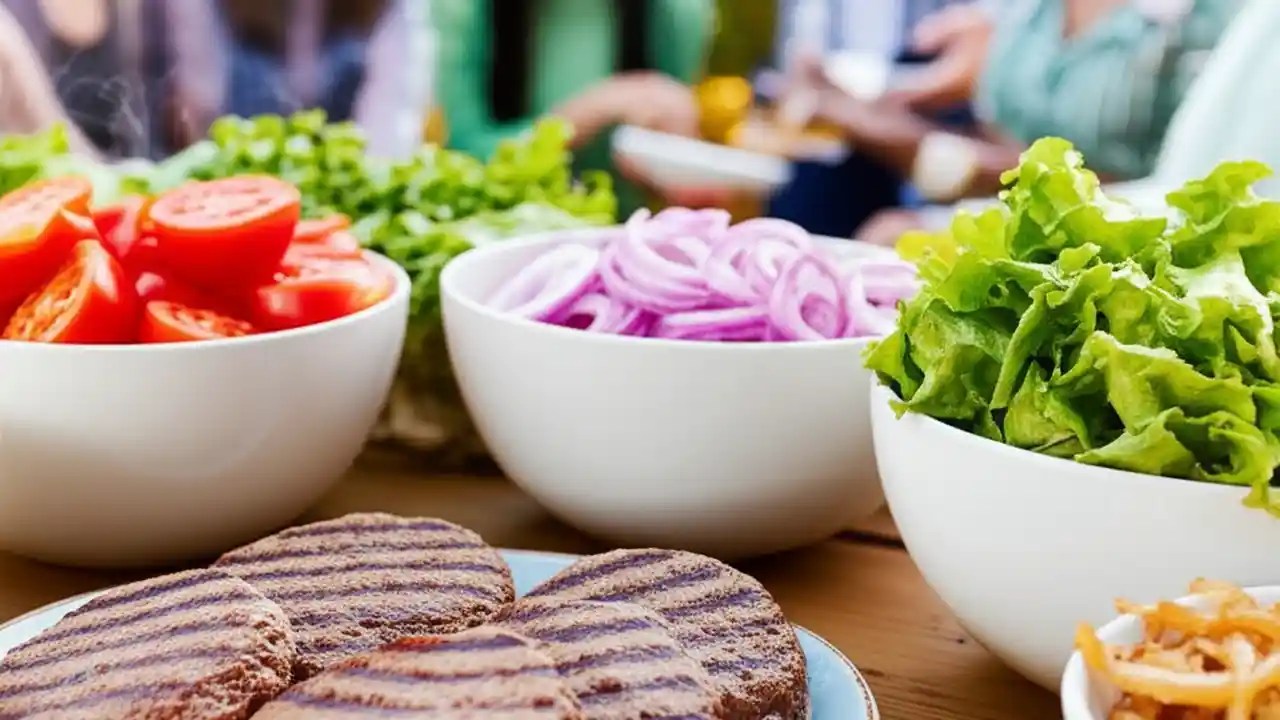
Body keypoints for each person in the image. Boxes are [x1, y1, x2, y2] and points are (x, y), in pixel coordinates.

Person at [800, 0, 1241, 245]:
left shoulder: (1213, 19)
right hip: (1005, 210)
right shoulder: (1024, 12)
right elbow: (1000, 128)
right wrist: (870, 109)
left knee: (888, 239)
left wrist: (932, 157)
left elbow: (1185, 186)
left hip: (1123, 236)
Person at [430, 0, 716, 214]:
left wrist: (673, 165)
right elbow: (463, 157)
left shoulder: (676, 13)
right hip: (503, 227)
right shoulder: (464, 11)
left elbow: (669, 155)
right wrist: (585, 114)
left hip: (622, 231)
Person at [153, 0, 429, 158]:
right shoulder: (207, 6)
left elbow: (390, 126)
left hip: (341, 202)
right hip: (239, 188)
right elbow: (201, 108)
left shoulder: (393, 8)